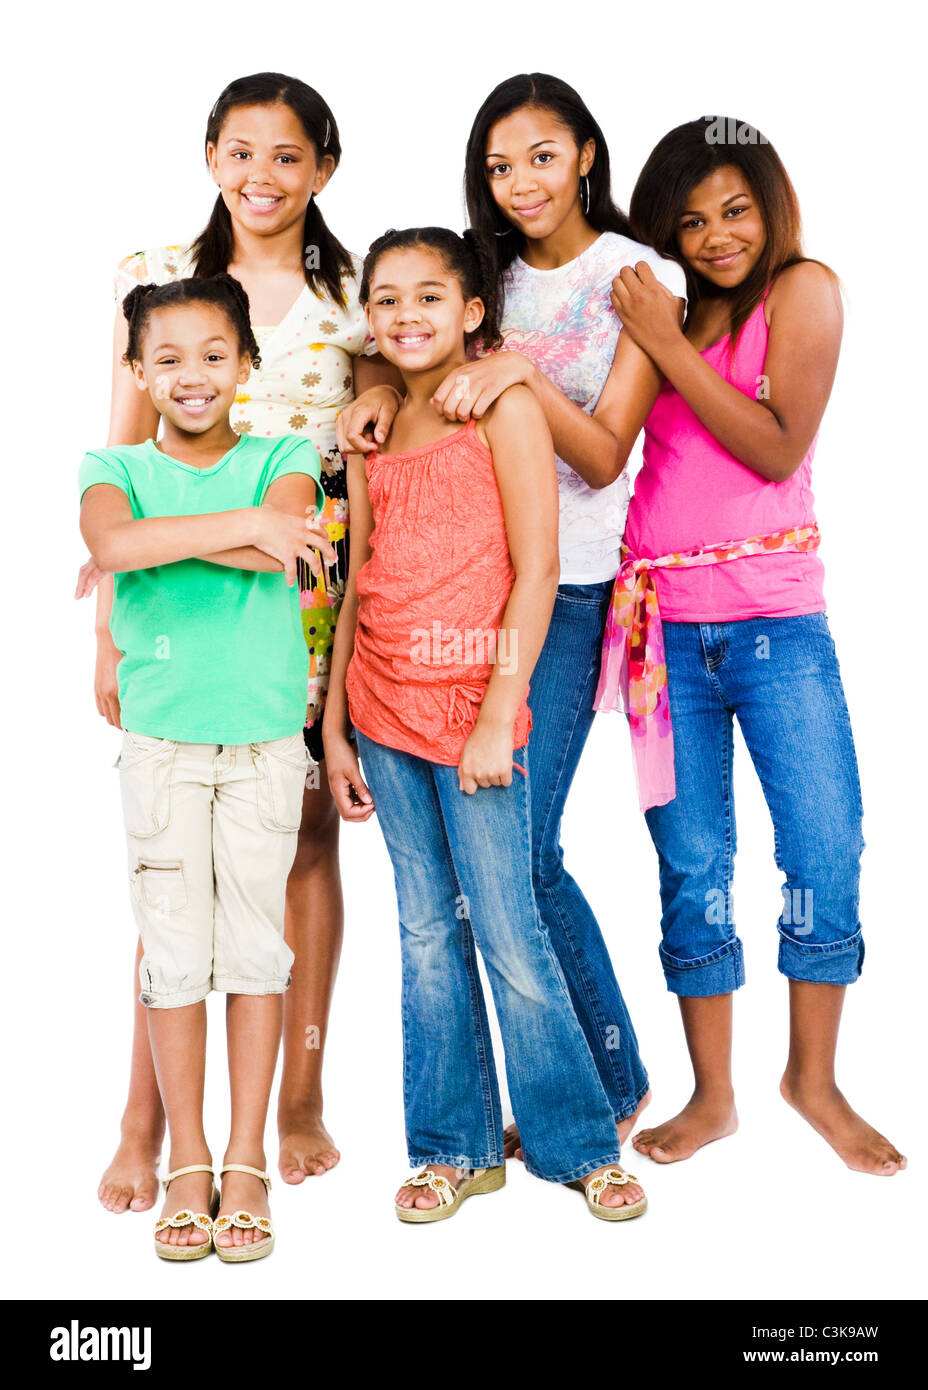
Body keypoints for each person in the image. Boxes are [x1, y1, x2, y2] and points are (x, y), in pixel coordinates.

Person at [337, 74, 687, 1161]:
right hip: (451, 604)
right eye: (498, 165)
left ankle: (599, 1086)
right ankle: (576, 1087)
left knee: (517, 862)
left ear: (585, 151)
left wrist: (513, 380)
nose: (520, 181)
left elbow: (606, 451)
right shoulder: (481, 274)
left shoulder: (635, 275)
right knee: (505, 871)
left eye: (541, 155)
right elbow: (411, 344)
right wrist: (374, 387)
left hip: (567, 586)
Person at [77, 72, 402, 1211]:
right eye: (240, 151)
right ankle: (144, 1118)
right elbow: (122, 465)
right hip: (173, 612)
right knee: (174, 871)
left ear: (323, 168)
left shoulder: (357, 295)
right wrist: (110, 635)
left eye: (287, 156)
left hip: (306, 602)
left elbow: (362, 465)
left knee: (303, 845)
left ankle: (296, 1101)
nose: (261, 177)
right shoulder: (157, 278)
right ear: (210, 154)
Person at [597, 116, 906, 1176]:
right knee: (692, 864)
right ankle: (713, 1093)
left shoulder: (801, 289)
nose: (717, 234)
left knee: (822, 847)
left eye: (734, 209)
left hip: (777, 625)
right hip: (658, 634)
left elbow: (775, 445)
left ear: (770, 205)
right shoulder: (663, 308)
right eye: (690, 220)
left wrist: (670, 343)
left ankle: (810, 1079)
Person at [78, 274, 336, 1259]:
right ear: (137, 371)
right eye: (170, 359)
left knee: (257, 953)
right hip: (162, 742)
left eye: (215, 355)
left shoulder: (285, 453)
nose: (193, 376)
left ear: (247, 365)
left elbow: (290, 549)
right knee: (175, 956)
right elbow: (111, 538)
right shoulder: (111, 462)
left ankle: (244, 1160)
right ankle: (186, 1156)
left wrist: (169, 547)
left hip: (266, 740)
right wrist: (246, 529)